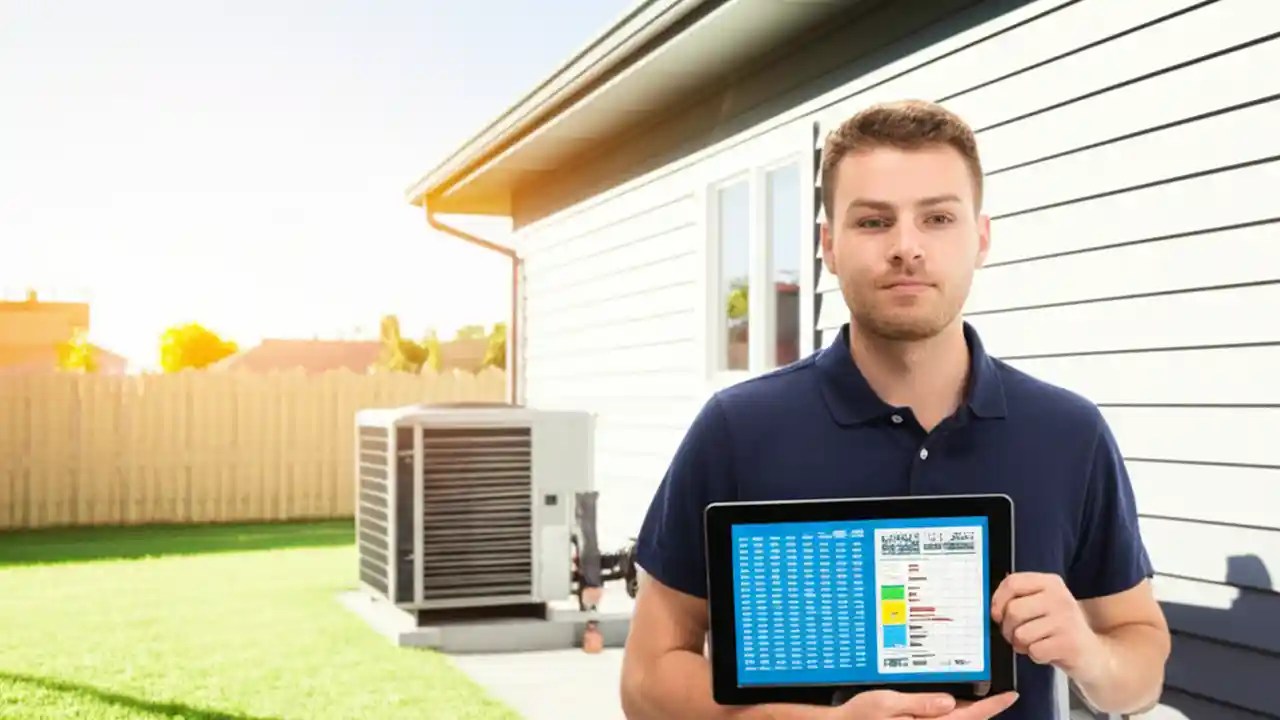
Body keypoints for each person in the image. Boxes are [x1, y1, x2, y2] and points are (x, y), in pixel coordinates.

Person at [619, 99, 1171, 719]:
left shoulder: (1070, 433)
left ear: (980, 238)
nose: (907, 248)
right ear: (828, 245)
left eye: (937, 218)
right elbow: (646, 680)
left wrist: (1090, 655)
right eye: (874, 222)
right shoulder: (736, 429)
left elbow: (1140, 668)